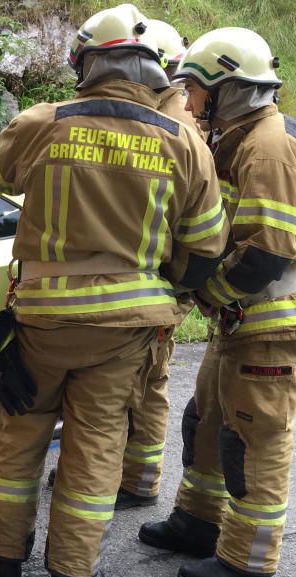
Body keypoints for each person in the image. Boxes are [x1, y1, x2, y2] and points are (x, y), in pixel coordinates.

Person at [0, 4, 227, 577]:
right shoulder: (185, 143)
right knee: (96, 445)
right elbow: (205, 248)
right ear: (156, 70)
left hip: (42, 322)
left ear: (85, 62)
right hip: (127, 330)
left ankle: (1, 558)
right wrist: (160, 287)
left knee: (18, 437)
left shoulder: (45, 122)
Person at [137, 27, 296, 577]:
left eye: (196, 91)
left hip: (267, 317)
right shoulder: (240, 137)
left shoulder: (269, 146)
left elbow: (267, 249)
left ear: (230, 90)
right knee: (209, 424)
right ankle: (198, 523)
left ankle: (248, 560)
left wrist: (204, 295)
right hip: (242, 318)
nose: (190, 102)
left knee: (253, 443)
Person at [116, 18, 199, 510]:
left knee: (145, 381)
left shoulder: (173, 126)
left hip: (162, 280)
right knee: (137, 379)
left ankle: (137, 480)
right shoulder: (161, 117)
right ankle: (121, 468)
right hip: (153, 277)